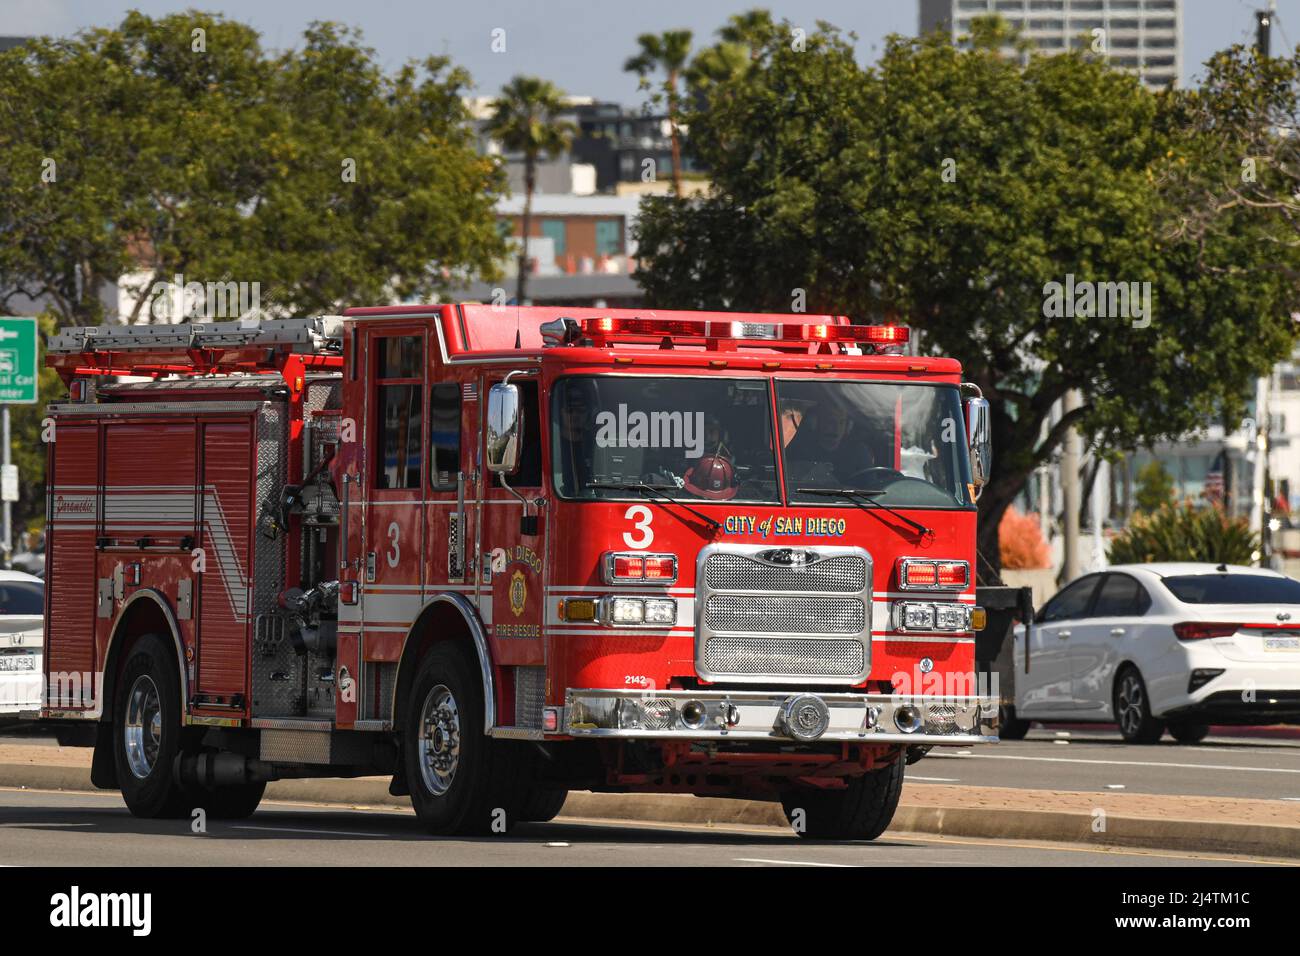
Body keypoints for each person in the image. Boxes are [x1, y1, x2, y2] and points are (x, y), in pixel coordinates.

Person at [785, 401, 875, 484]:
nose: (836, 428)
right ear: (815, 423)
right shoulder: (798, 450)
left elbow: (871, 488)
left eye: (841, 422)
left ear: (848, 426)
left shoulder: (859, 451)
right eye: (830, 421)